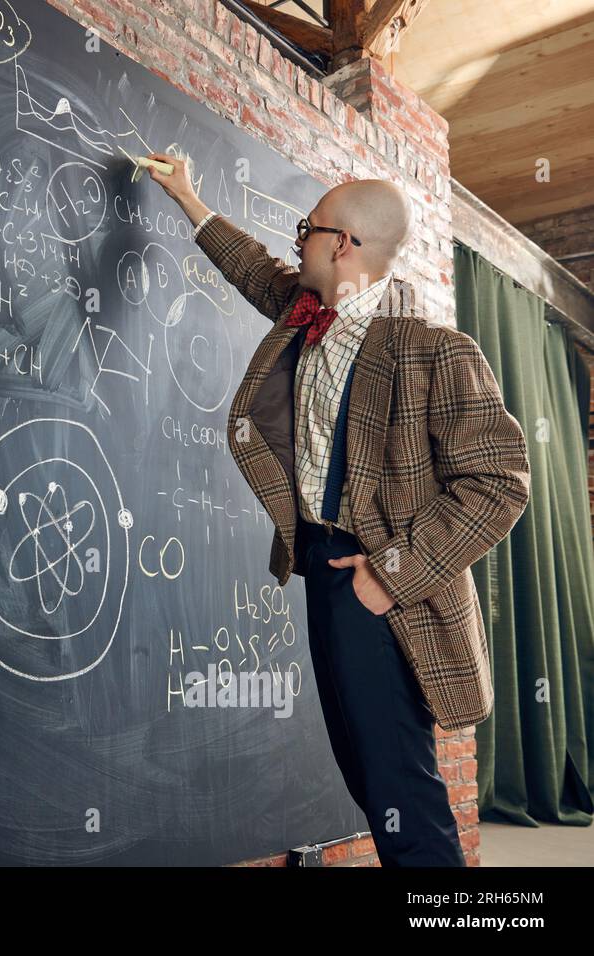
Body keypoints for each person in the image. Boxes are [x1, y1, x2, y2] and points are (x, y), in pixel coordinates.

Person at [144, 153, 531, 866]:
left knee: (401, 790)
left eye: (307, 229)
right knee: (366, 774)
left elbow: (499, 481)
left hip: (383, 581)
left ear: (343, 245)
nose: (298, 240)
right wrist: (188, 197)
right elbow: (256, 270)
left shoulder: (434, 351)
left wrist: (389, 575)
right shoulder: (307, 313)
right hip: (323, 565)